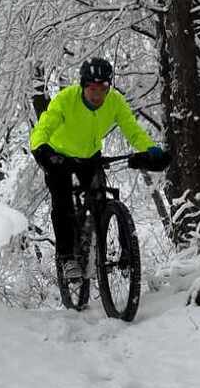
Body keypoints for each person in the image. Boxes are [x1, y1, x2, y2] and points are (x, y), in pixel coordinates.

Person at [30, 58, 168, 275]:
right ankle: (67, 258)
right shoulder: (66, 99)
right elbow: (43, 127)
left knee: (103, 199)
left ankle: (121, 252)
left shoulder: (114, 101)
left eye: (103, 88)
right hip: (59, 157)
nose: (98, 94)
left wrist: (151, 150)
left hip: (89, 156)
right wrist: (41, 149)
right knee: (62, 203)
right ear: (83, 86)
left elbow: (132, 130)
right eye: (92, 88)